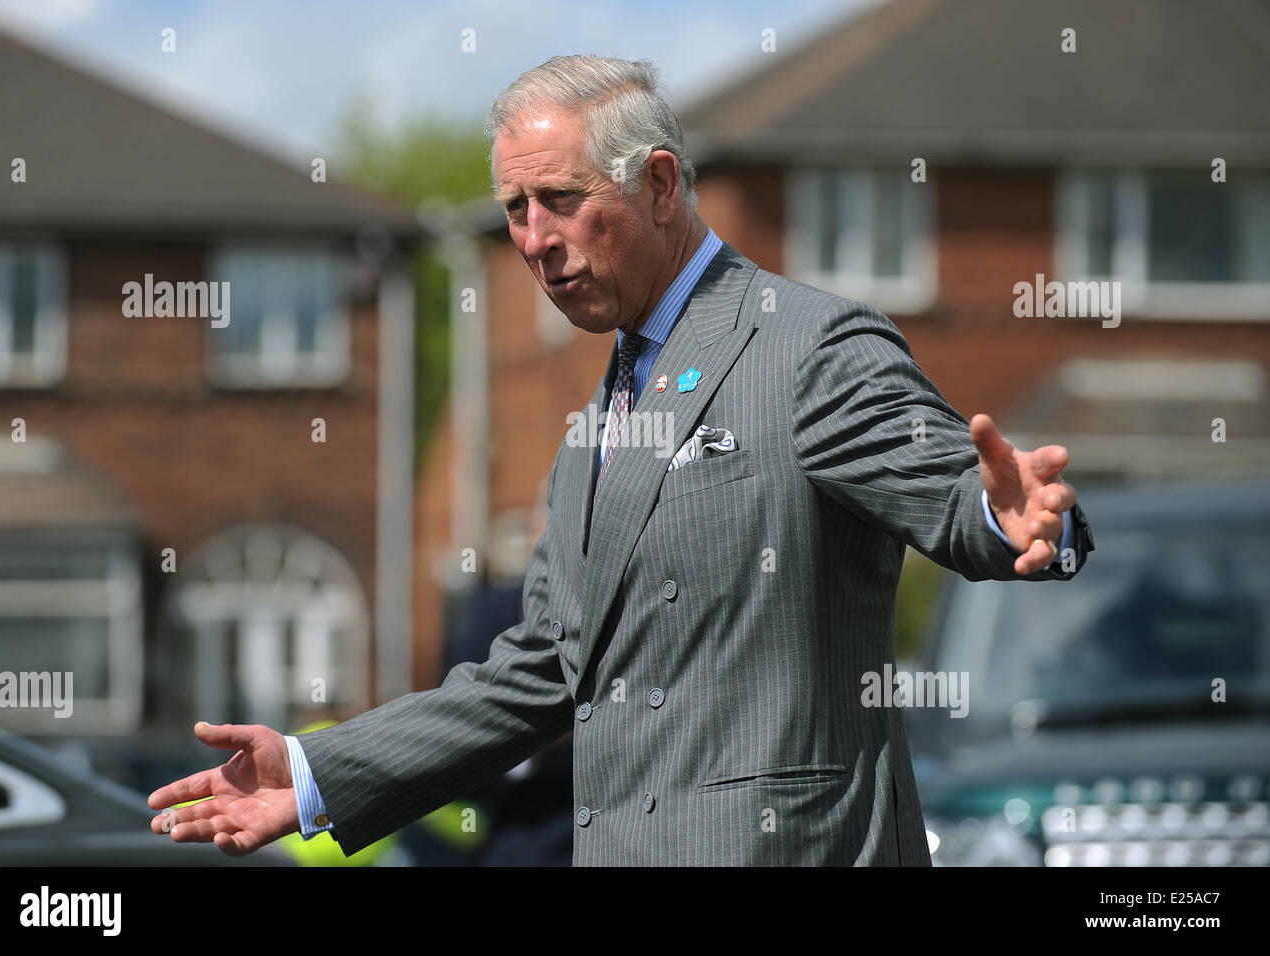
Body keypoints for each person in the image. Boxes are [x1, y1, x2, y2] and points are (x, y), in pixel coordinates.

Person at [149, 55, 1093, 865]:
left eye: (561, 200)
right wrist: (314, 772)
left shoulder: (807, 345)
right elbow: (540, 674)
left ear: (661, 185)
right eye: (515, 209)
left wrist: (1003, 516)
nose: (532, 241)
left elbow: (957, 498)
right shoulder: (594, 431)